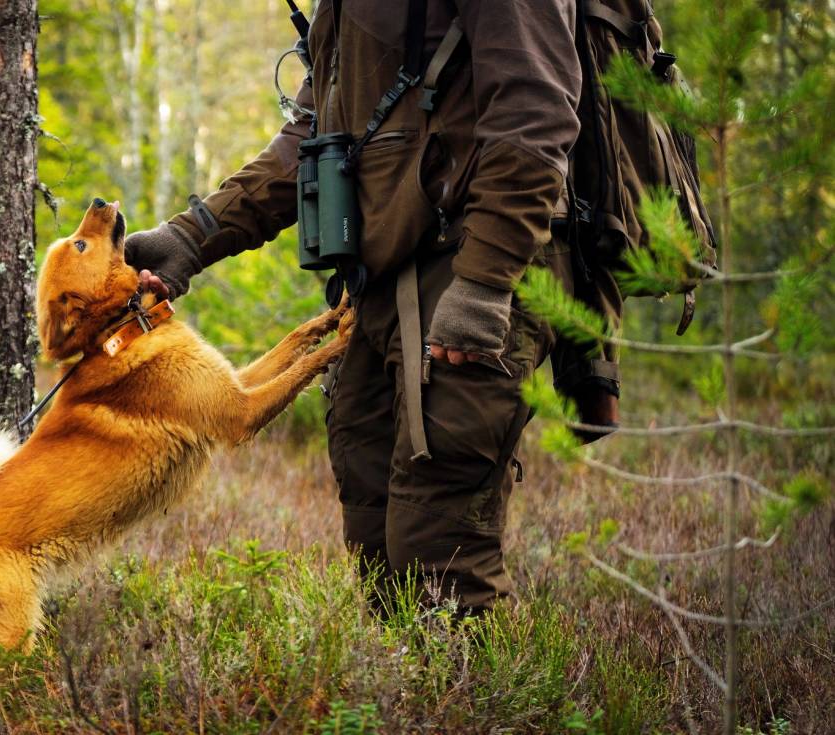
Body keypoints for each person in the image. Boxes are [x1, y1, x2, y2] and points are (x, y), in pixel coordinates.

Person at [125, 0, 620, 613]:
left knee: (439, 548)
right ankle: (402, 703)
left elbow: (536, 118)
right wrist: (192, 237)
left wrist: (484, 285)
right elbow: (312, 140)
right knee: (372, 524)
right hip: (378, 283)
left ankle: (467, 705)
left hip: (476, 269)